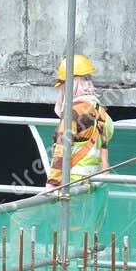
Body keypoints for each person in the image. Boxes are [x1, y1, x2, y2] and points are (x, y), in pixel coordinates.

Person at [46, 54, 114, 188]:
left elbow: (62, 150)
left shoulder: (72, 113)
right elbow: (104, 146)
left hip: (73, 183)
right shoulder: (100, 111)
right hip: (96, 183)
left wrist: (52, 185)